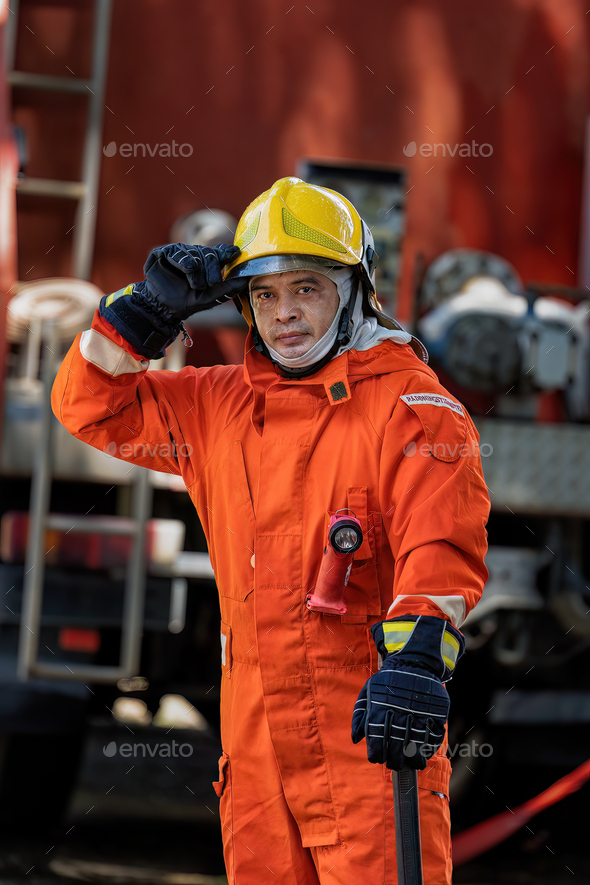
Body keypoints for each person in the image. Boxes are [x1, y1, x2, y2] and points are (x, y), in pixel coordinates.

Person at [52, 177, 490, 885]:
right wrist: (143, 315)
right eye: (265, 294)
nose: (284, 315)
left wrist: (416, 666)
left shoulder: (414, 409)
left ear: (353, 291)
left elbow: (440, 552)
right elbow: (89, 406)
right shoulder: (219, 405)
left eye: (307, 289)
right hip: (255, 763)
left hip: (367, 754)